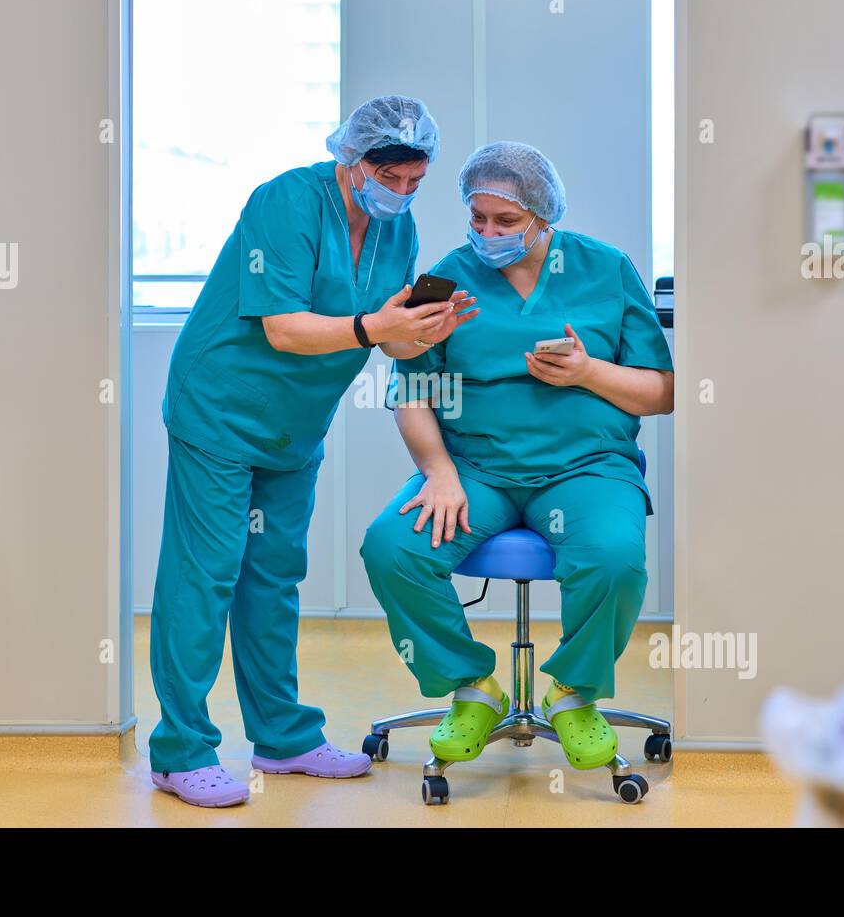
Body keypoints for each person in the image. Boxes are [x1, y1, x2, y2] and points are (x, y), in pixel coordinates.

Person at [149, 96, 478, 808]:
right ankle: (180, 750)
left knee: (273, 574)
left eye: (414, 181)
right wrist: (375, 327)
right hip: (221, 409)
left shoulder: (400, 227)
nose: (401, 193)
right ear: (351, 159)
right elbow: (284, 329)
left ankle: (283, 736)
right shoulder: (286, 203)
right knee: (205, 573)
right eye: (389, 179)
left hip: (295, 424)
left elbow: (383, 333)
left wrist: (422, 330)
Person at [361, 141, 673, 772]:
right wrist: (440, 472)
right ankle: (473, 686)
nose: (488, 234)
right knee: (391, 547)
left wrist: (587, 372)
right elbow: (413, 389)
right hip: (477, 469)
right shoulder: (446, 279)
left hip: (586, 466)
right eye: (477, 219)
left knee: (613, 556)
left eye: (505, 222)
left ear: (542, 216)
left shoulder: (606, 269)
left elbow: (661, 392)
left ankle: (573, 691)